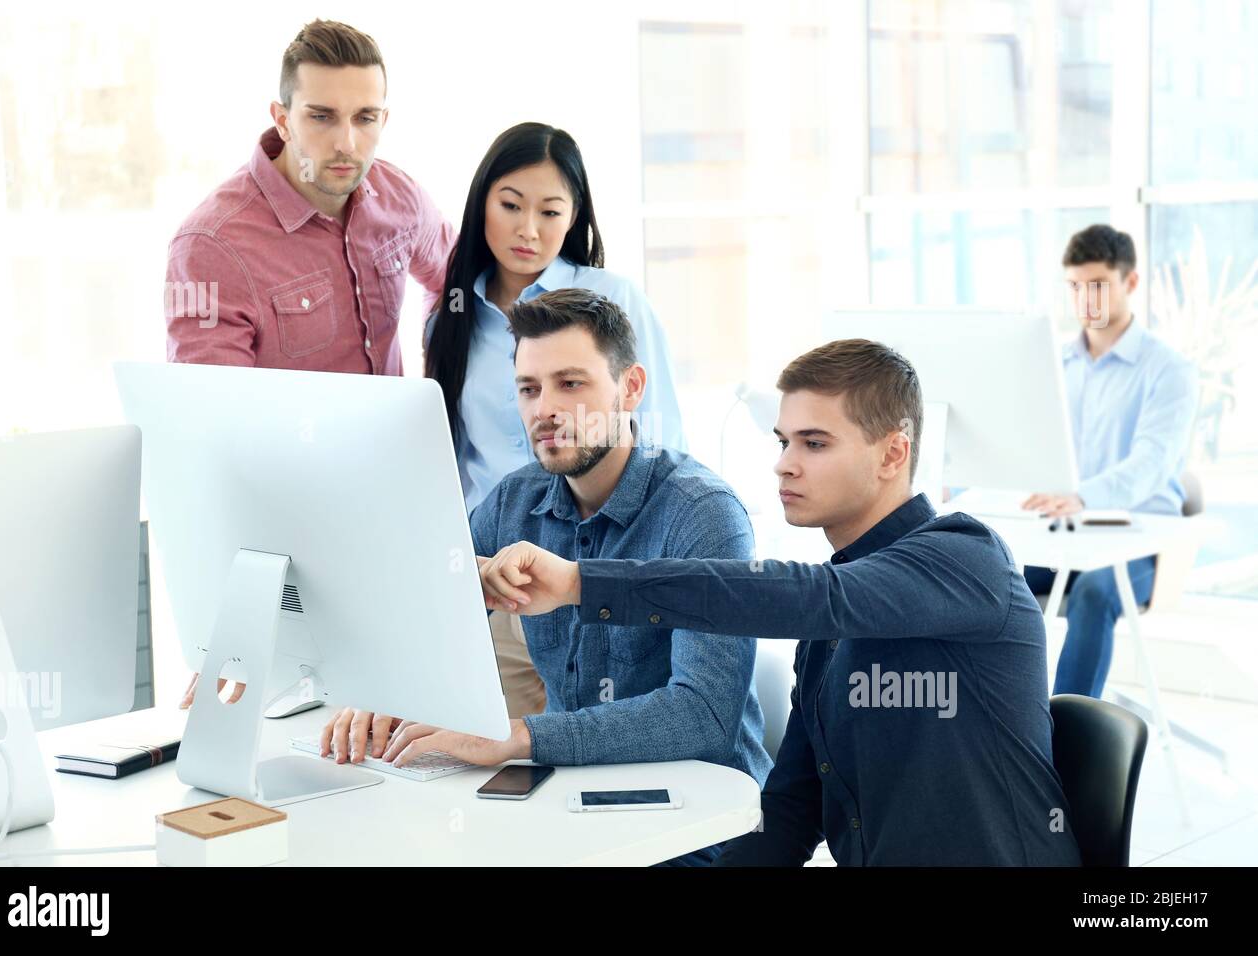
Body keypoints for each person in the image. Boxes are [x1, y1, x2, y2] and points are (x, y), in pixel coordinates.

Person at [476, 339, 1084, 866]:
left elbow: (814, 596)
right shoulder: (827, 630)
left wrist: (583, 582)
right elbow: (793, 807)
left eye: (814, 444)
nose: (784, 465)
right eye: (784, 440)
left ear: (893, 454)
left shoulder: (965, 556)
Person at [322, 288, 770, 867]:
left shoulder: (702, 514)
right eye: (529, 389)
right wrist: (380, 694)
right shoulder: (515, 501)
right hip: (565, 805)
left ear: (630, 388)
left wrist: (519, 737)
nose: (544, 409)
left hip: (696, 827)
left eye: (571, 383)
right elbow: (423, 628)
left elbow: (702, 717)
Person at [424, 122, 686, 717]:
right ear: (481, 204)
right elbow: (454, 462)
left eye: (551, 211)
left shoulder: (612, 300)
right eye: (511, 206)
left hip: (599, 565)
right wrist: (468, 568)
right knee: (513, 769)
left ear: (575, 217)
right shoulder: (452, 319)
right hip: (501, 578)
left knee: (607, 752)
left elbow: (664, 434)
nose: (528, 230)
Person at [165, 19, 454, 376]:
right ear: (283, 121)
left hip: (402, 431)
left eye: (365, 118)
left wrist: (441, 381)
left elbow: (458, 281)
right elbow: (209, 407)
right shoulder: (209, 246)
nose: (346, 144)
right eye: (322, 116)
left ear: (384, 120)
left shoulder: (401, 198)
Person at [1022, 225, 1198, 698]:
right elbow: (1030, 444)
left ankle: (1069, 743)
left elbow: (1153, 462)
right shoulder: (1055, 364)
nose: (1085, 300)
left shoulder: (1169, 370)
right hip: (1066, 535)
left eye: (1097, 285)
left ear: (1131, 283)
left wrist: (1081, 498)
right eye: (1075, 287)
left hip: (1140, 538)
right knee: (989, 574)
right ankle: (1000, 719)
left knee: (1095, 593)